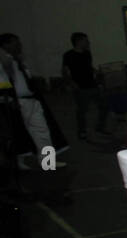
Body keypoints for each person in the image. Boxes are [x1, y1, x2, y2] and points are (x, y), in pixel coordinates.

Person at [1, 33, 69, 169]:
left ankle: (48, 162)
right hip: (16, 103)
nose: (19, 45)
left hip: (31, 100)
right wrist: (7, 98)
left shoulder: (18, 60)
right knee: (17, 134)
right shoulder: (3, 62)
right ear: (5, 45)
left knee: (42, 131)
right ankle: (19, 163)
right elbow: (3, 83)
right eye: (15, 43)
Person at [63, 32, 109, 140]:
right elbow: (65, 71)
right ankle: (82, 131)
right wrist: (71, 83)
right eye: (85, 40)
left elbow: (88, 66)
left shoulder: (87, 53)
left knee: (104, 106)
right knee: (82, 111)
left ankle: (100, 127)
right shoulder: (68, 55)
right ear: (78, 42)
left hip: (92, 85)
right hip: (80, 87)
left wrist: (97, 72)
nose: (88, 42)